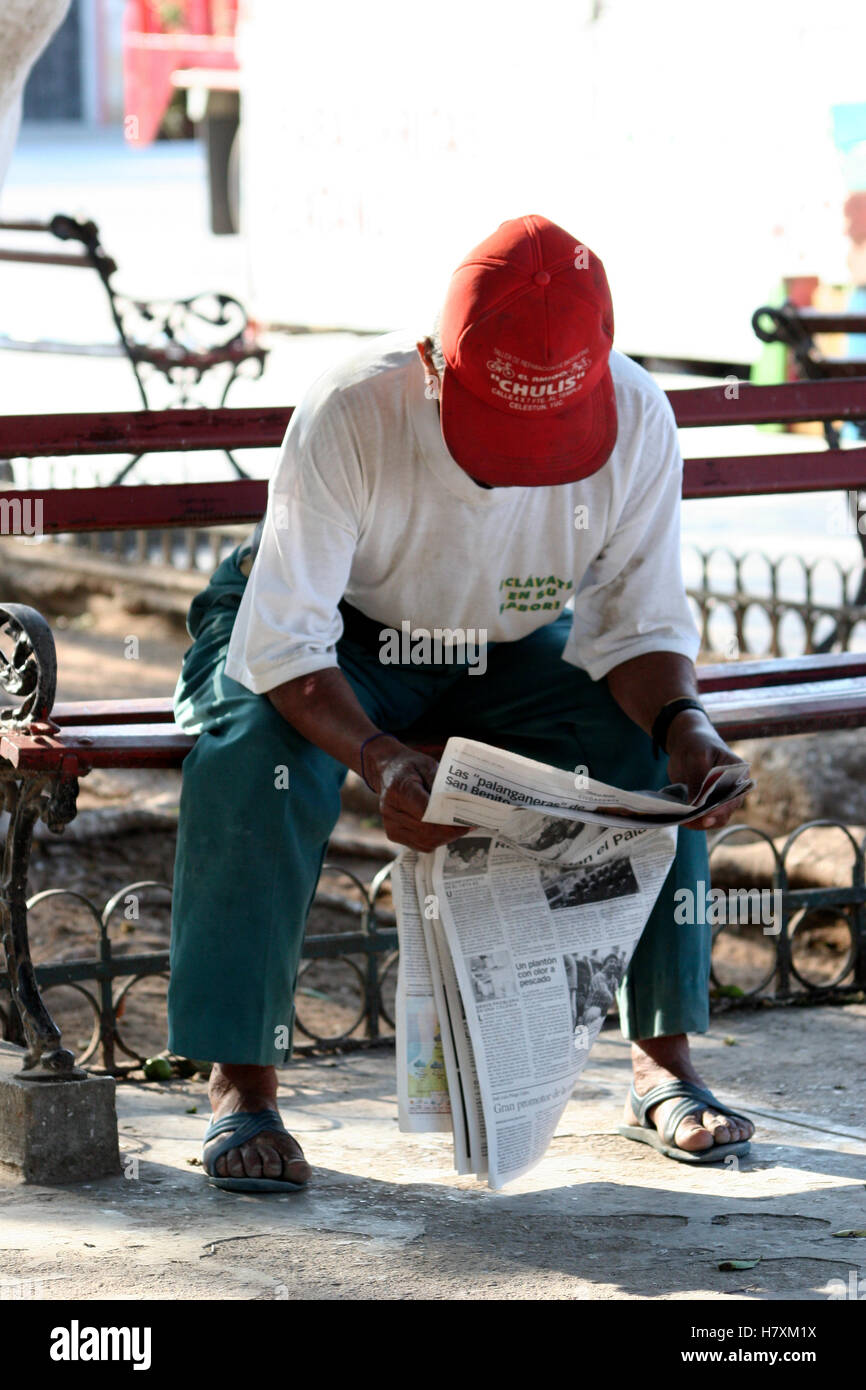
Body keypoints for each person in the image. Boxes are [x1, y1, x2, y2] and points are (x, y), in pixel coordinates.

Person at [168, 214, 754, 1191]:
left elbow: (638, 629)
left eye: (546, 439)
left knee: (651, 760)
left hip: (505, 644)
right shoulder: (353, 407)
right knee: (253, 752)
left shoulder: (640, 416)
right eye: (497, 435)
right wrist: (377, 754)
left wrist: (685, 726)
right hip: (332, 637)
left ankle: (663, 1062)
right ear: (435, 366)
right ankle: (242, 1080)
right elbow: (285, 641)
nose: (516, 469)